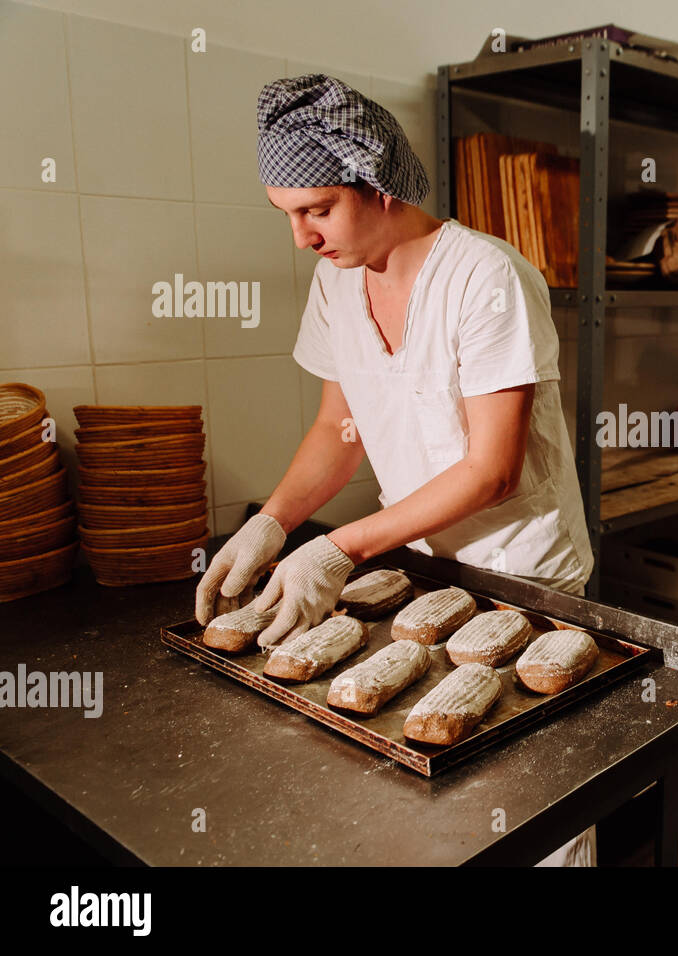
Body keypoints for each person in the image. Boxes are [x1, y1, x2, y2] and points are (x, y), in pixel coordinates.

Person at [193, 74, 594, 867]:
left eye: (316, 210)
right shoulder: (335, 283)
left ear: (376, 185)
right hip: (420, 569)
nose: (301, 238)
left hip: (521, 573)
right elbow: (337, 431)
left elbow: (493, 472)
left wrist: (342, 546)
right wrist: (272, 523)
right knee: (430, 804)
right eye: (289, 215)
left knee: (528, 814)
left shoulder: (486, 277)